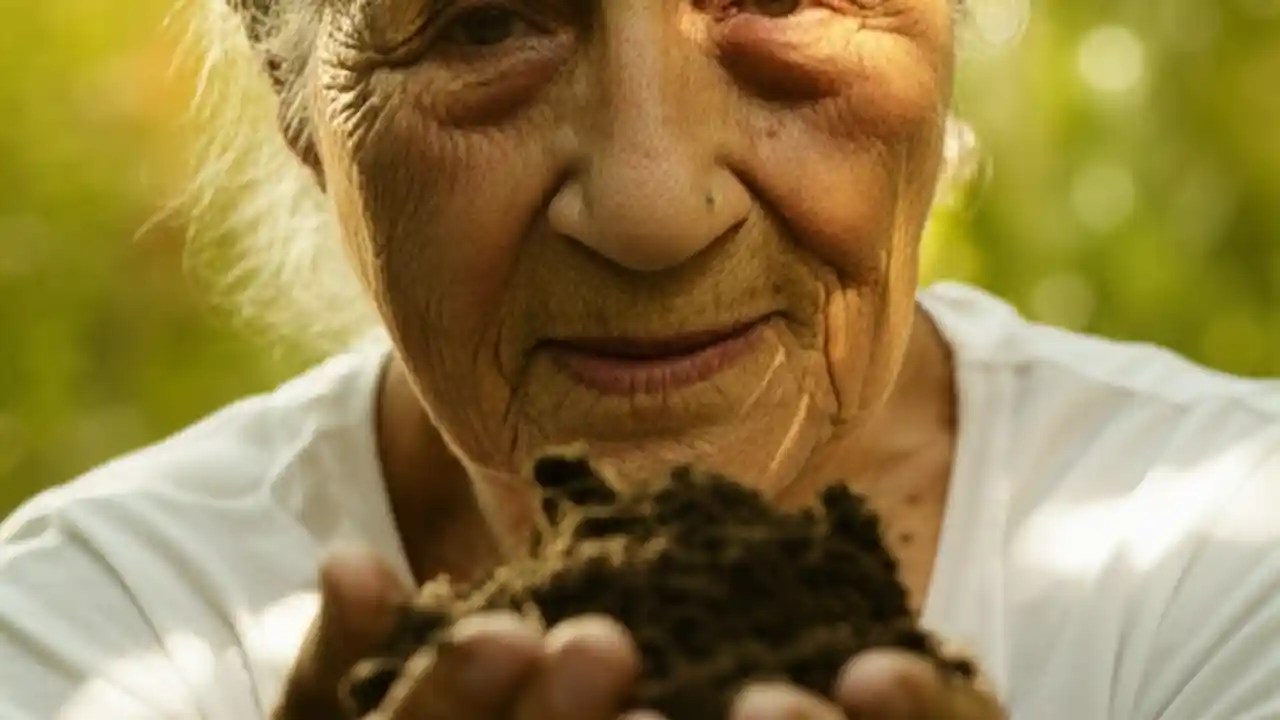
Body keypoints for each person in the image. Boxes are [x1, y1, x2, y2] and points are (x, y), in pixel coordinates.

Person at [2, 0, 1278, 718]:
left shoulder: (1228, 554)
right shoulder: (95, 634)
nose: (653, 208)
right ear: (298, 103)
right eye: (486, 18)